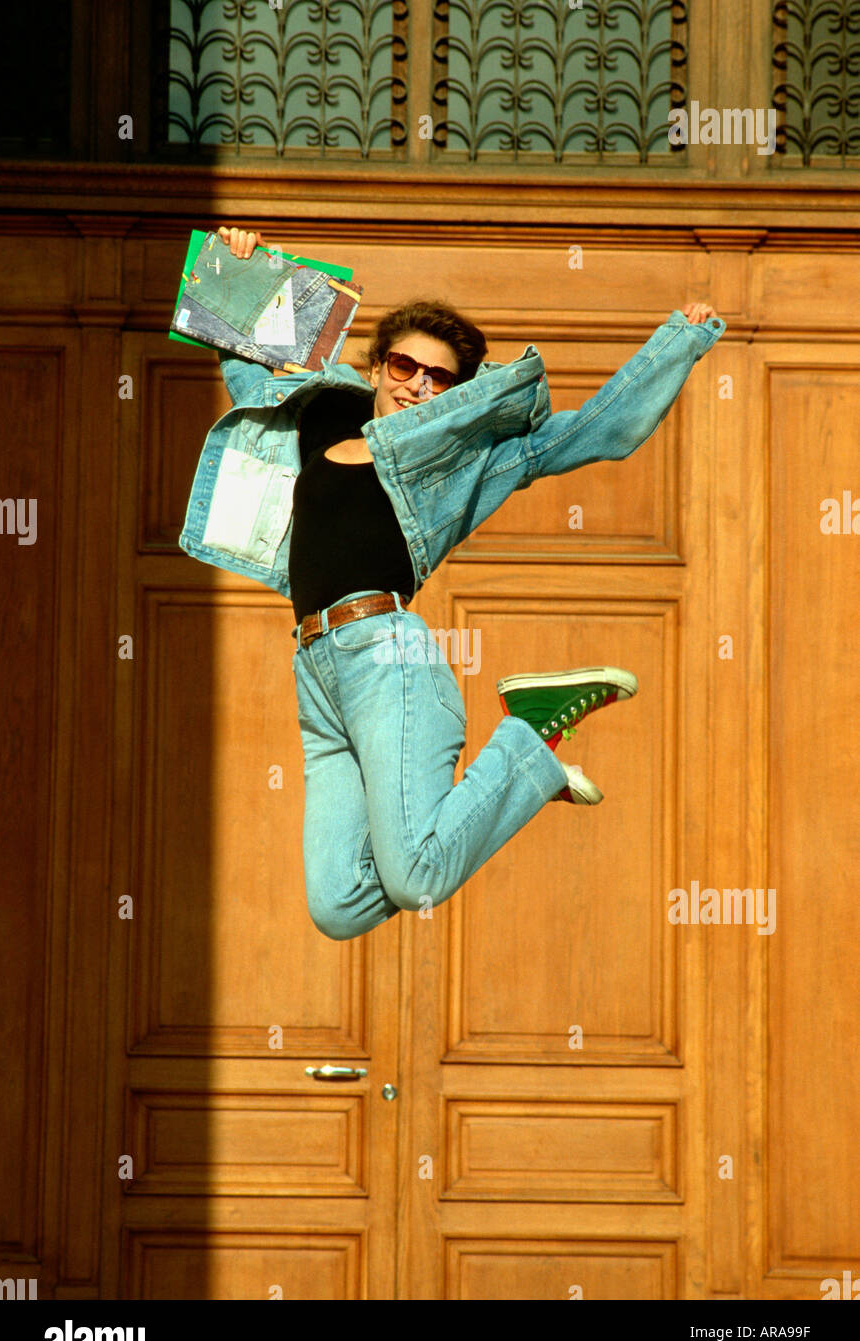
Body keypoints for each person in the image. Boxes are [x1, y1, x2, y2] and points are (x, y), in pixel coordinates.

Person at [181, 225, 724, 939]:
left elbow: (593, 431)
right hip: (315, 669)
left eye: (440, 379)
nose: (419, 386)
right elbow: (250, 366)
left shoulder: (464, 457)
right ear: (377, 366)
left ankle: (529, 738)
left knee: (417, 879)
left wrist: (676, 345)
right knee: (337, 907)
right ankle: (507, 786)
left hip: (386, 658)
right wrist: (237, 266)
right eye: (406, 366)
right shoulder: (319, 412)